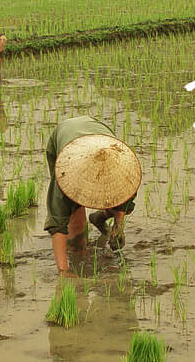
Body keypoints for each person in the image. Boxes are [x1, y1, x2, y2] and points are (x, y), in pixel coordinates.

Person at [44, 116, 142, 276]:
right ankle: (78, 253)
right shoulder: (66, 174)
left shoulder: (125, 169)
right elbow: (57, 225)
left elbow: (124, 200)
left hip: (99, 136)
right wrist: (63, 270)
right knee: (76, 230)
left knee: (119, 198)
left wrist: (118, 225)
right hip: (66, 142)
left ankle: (99, 218)